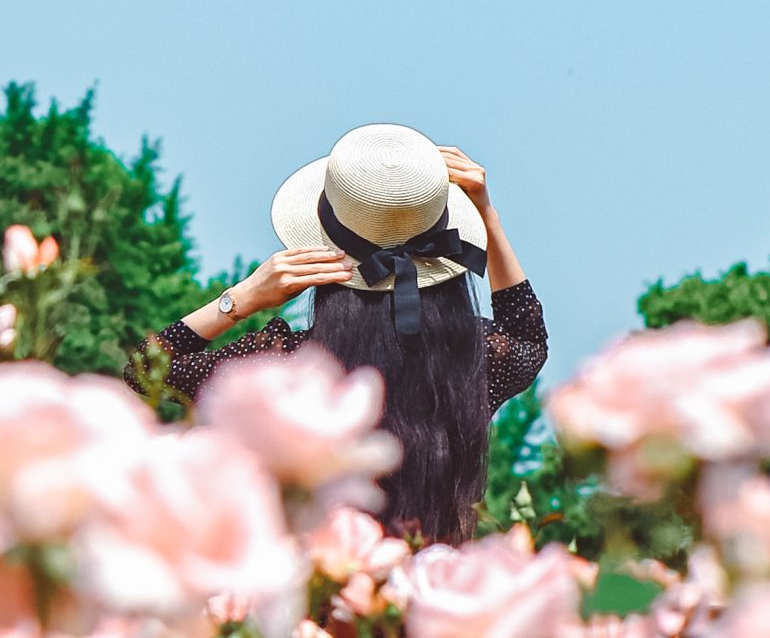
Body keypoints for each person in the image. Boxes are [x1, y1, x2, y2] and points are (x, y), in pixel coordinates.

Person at [150, 123, 547, 546]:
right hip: (430, 593)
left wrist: (243, 297)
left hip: (319, 599)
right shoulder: (470, 362)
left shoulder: (292, 367)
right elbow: (527, 335)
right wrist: (488, 217)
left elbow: (149, 368)